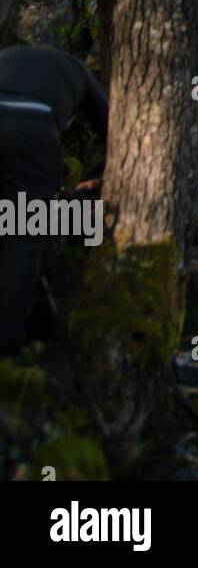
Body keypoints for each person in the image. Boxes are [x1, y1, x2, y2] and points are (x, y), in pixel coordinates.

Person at [0, 46, 109, 355]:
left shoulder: (8, 55)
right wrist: (101, 180)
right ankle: (7, 349)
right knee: (22, 239)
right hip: (31, 131)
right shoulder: (78, 70)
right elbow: (114, 133)